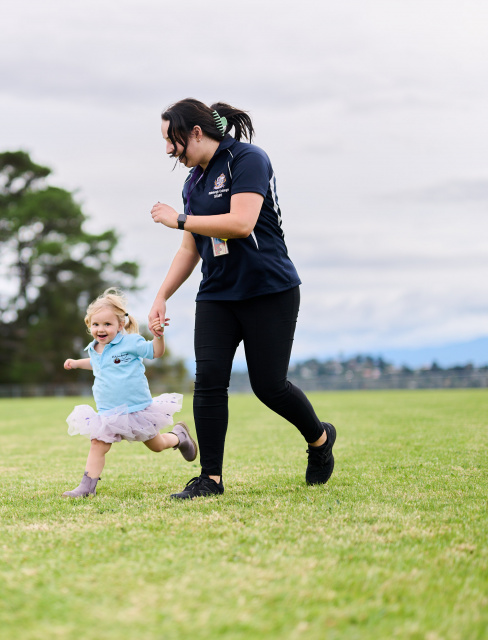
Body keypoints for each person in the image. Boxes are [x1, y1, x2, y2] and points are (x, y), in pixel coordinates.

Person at [148, 98, 337, 500]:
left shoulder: (248, 159)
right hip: (217, 294)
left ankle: (320, 440)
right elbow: (189, 249)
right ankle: (209, 480)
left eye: (172, 139)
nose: (168, 149)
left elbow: (241, 222)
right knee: (209, 382)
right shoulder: (193, 182)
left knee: (269, 386)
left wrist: (177, 218)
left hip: (269, 289)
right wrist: (162, 295)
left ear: (196, 132)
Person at [61, 288, 198, 498]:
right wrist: (77, 363)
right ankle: (86, 488)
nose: (101, 329)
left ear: (120, 324)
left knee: (157, 445)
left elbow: (155, 352)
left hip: (138, 410)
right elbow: (98, 364)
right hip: (108, 412)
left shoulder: (131, 342)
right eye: (96, 324)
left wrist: (158, 336)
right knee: (98, 444)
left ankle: (179, 437)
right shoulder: (93, 348)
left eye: (107, 324)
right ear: (89, 325)